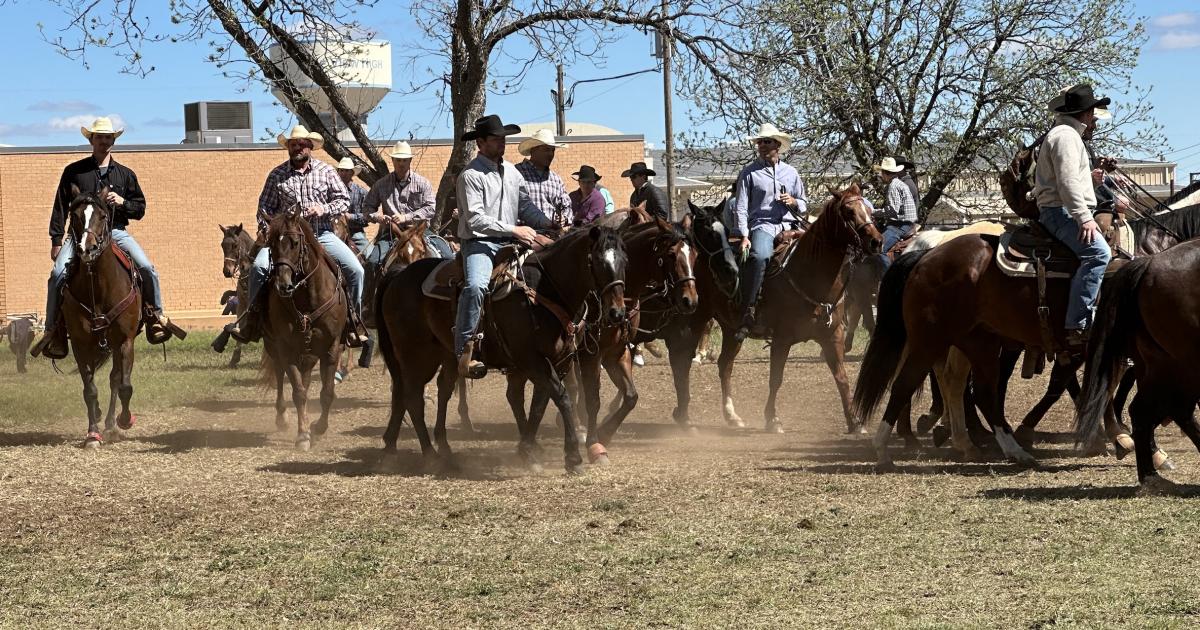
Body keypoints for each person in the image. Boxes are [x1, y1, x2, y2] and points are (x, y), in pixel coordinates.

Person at [31, 117, 177, 359]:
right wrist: (56, 240)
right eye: (99, 137)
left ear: (113, 141)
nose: (104, 141)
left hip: (116, 232)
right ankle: (53, 332)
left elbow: (140, 209)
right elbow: (59, 207)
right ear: (91, 140)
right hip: (77, 236)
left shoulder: (125, 175)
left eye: (108, 137)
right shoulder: (74, 172)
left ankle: (155, 317)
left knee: (147, 268)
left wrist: (122, 203)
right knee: (57, 275)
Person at [229, 125, 368, 347]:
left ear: (310, 147)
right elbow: (263, 209)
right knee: (259, 268)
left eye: (302, 144)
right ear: (288, 148)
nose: (297, 148)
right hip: (285, 240)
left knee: (356, 270)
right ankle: (250, 320)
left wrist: (324, 209)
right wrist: (271, 227)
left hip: (321, 234)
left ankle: (353, 322)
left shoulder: (326, 171)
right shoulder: (277, 175)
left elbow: (343, 200)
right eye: (293, 145)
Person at [455, 115, 557, 377]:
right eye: (495, 139)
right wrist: (515, 229)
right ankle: (465, 349)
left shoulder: (512, 172)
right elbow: (476, 219)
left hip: (511, 240)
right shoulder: (470, 175)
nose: (502, 143)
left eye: (503, 139)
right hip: (479, 243)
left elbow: (525, 206)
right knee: (476, 285)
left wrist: (549, 224)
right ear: (480, 142)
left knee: (554, 265)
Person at [1032, 84, 1113, 349]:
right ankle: (1078, 325)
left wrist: (1090, 181)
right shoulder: (1067, 137)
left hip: (1060, 208)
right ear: (1087, 113)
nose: (1094, 121)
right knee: (1099, 254)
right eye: (1093, 115)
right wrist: (1084, 218)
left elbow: (1066, 180)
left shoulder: (1063, 134)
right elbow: (1066, 185)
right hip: (1060, 213)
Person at [730, 123, 807, 341]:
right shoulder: (749, 173)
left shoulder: (791, 173)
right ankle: (748, 311)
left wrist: (793, 201)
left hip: (791, 225)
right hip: (762, 225)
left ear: (778, 145)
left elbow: (803, 203)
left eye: (767, 141)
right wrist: (745, 235)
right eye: (759, 142)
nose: (762, 145)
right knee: (760, 256)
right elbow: (741, 207)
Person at [362, 140, 443, 269]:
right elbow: (367, 207)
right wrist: (378, 217)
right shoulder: (381, 184)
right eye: (398, 160)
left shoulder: (423, 183)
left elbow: (430, 209)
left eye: (404, 160)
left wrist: (406, 217)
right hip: (391, 233)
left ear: (410, 161)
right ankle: (371, 290)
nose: (401, 163)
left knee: (447, 256)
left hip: (419, 231)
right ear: (393, 161)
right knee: (372, 262)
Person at [515, 128, 572, 230]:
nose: (550, 154)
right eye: (546, 149)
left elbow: (567, 206)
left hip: (552, 235)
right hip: (523, 235)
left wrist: (565, 218)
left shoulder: (556, 179)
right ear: (533, 150)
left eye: (552, 150)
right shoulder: (517, 173)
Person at [873, 156, 919, 270]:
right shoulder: (899, 183)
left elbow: (893, 211)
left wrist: (873, 212)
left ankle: (888, 279)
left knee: (879, 249)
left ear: (885, 173)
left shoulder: (893, 186)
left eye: (881, 173)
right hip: (905, 222)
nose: (880, 175)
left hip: (900, 225)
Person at [335, 157, 370, 255]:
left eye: (346, 170)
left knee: (370, 255)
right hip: (334, 232)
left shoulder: (361, 192)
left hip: (356, 233)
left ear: (352, 173)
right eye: (341, 170)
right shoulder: (331, 191)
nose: (343, 173)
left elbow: (368, 217)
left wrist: (351, 217)